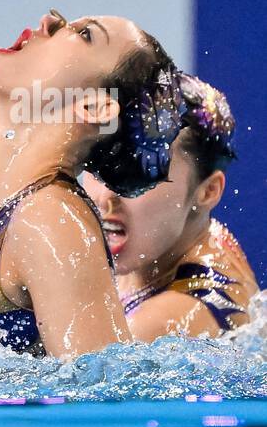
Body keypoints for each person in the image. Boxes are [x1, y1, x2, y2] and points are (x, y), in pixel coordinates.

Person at [0, 9, 183, 358]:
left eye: (86, 34)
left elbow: (103, 400)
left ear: (94, 107)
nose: (48, 21)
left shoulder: (52, 222)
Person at [82, 72, 259, 338]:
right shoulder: (177, 245)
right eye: (101, 166)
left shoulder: (168, 322)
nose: (107, 195)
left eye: (142, 173)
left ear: (208, 191)